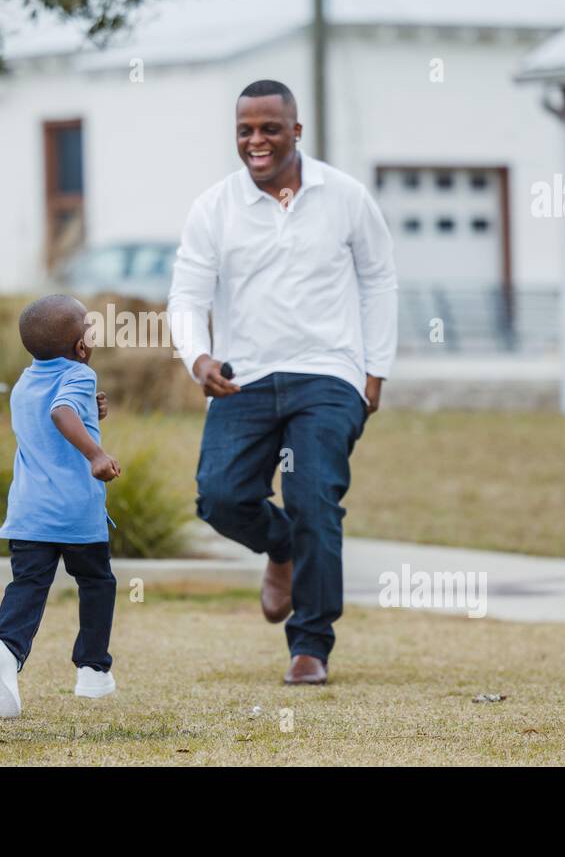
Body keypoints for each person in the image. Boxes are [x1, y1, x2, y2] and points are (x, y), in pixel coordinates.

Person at [167, 79, 398, 685]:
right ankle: (282, 549)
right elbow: (187, 296)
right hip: (244, 377)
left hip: (328, 373)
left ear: (296, 131)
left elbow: (379, 279)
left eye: (270, 128)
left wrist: (375, 370)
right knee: (219, 495)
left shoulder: (345, 197)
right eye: (245, 130)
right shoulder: (213, 208)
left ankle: (311, 645)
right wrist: (198, 358)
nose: (256, 140)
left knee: (312, 494)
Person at [0, 294, 121, 718]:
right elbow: (60, 414)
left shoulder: (24, 382)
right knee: (97, 582)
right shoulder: (80, 373)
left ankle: (4, 647)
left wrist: (91, 414)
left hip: (28, 515)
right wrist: (95, 453)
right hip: (75, 513)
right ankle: (93, 669)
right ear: (80, 347)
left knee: (28, 587)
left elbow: (50, 418)